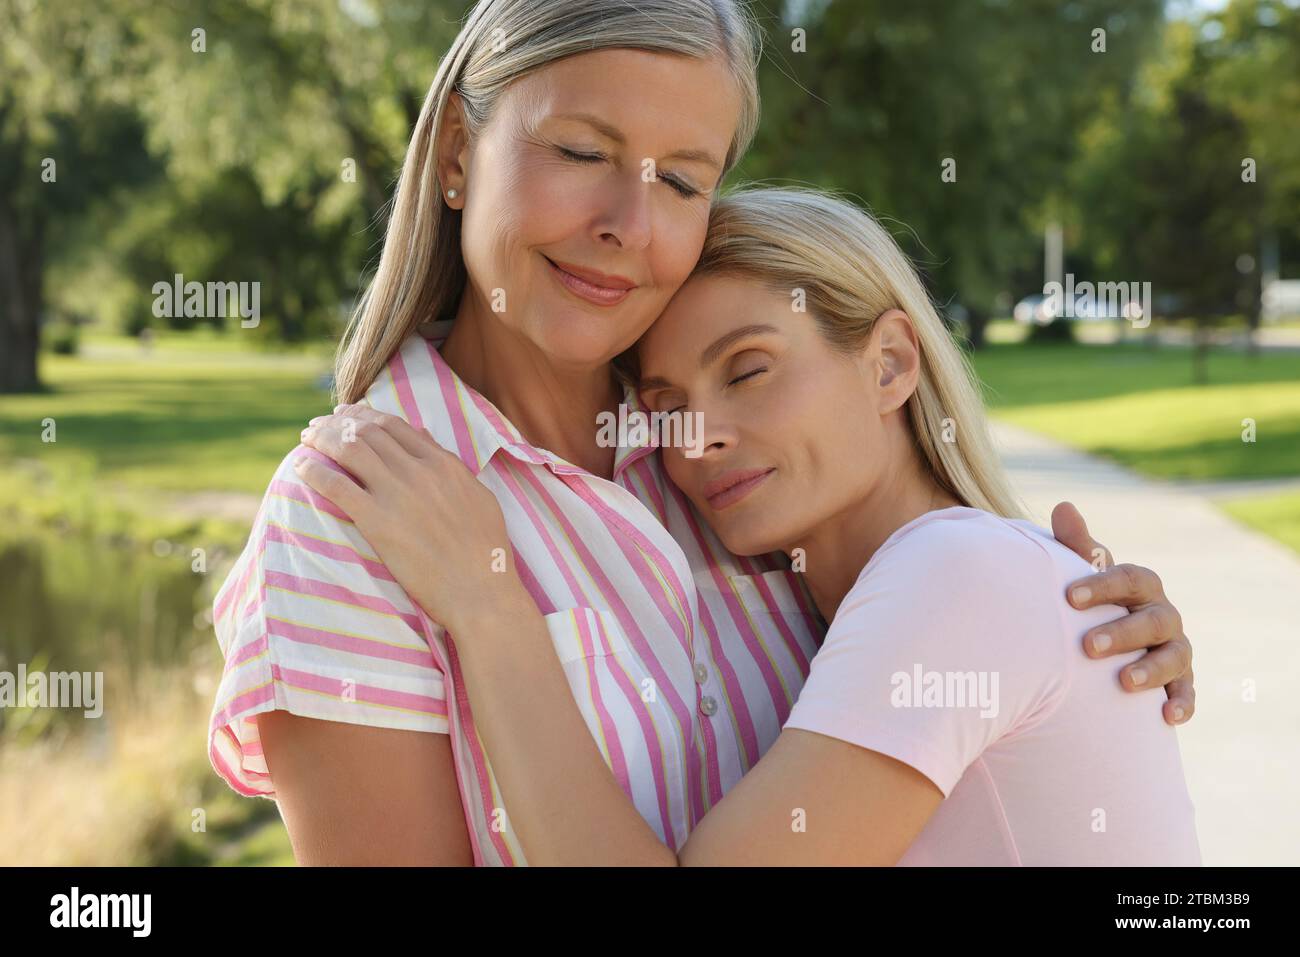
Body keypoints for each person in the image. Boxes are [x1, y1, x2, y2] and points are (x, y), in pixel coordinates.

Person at [211, 0, 1196, 866]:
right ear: (460, 153)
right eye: (583, 153)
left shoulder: (727, 476)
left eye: (682, 182)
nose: (629, 224)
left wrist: (1071, 634)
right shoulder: (350, 514)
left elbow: (950, 660)